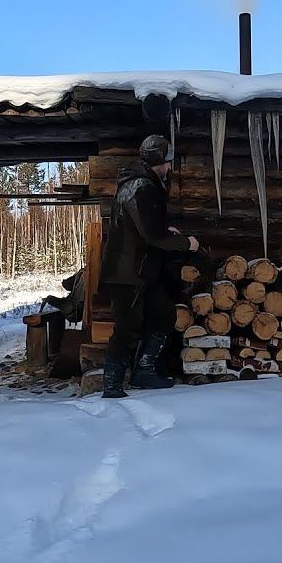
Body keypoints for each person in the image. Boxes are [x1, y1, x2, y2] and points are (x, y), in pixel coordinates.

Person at [99, 134, 199, 399]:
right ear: (159, 161)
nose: (170, 166)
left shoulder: (141, 183)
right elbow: (151, 234)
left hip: (142, 269)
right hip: (127, 272)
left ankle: (144, 371)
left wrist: (166, 231)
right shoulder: (141, 187)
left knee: (163, 315)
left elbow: (145, 226)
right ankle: (112, 385)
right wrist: (185, 243)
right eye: (168, 161)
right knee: (127, 327)